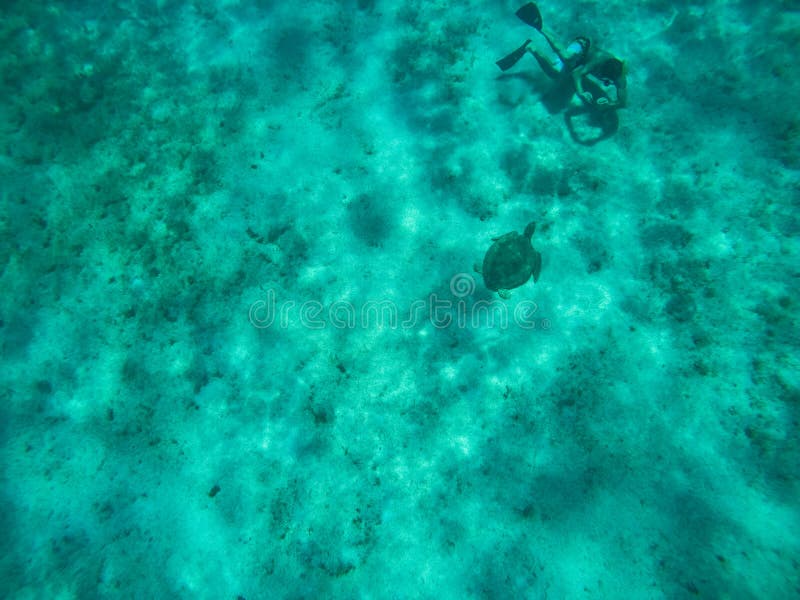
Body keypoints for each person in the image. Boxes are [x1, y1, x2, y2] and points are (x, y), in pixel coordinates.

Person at [497, 3, 627, 111]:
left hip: (578, 63)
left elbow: (622, 103)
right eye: (601, 71)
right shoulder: (598, 59)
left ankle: (531, 47)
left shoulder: (618, 78)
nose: (599, 73)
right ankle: (540, 26)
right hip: (582, 47)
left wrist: (608, 105)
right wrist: (581, 92)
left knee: (554, 74)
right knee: (567, 57)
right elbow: (577, 74)